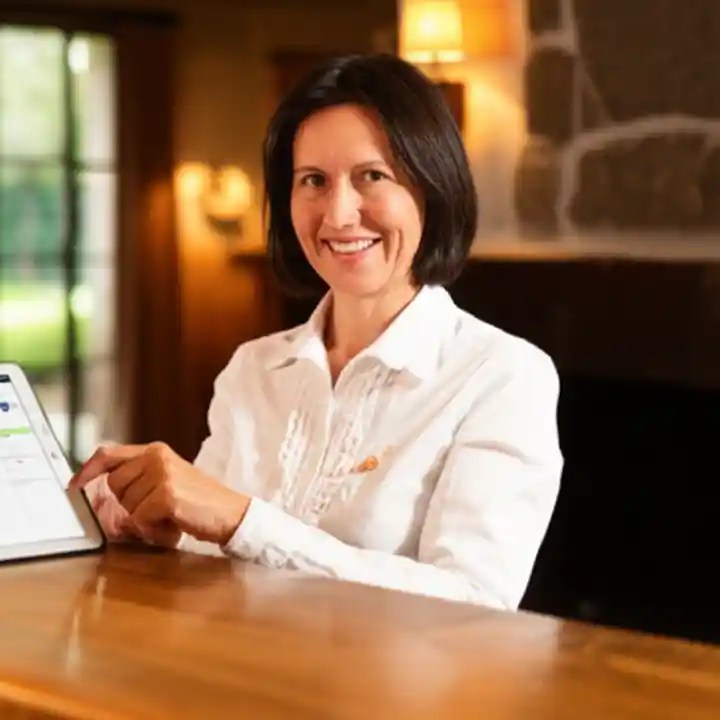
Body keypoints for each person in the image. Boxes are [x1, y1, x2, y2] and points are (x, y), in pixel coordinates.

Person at [70, 54, 563, 611]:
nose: (339, 214)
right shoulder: (252, 369)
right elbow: (213, 563)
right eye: (313, 181)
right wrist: (150, 530)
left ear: (432, 186)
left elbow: (477, 604)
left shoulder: (503, 375)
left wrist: (241, 519)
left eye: (371, 176)